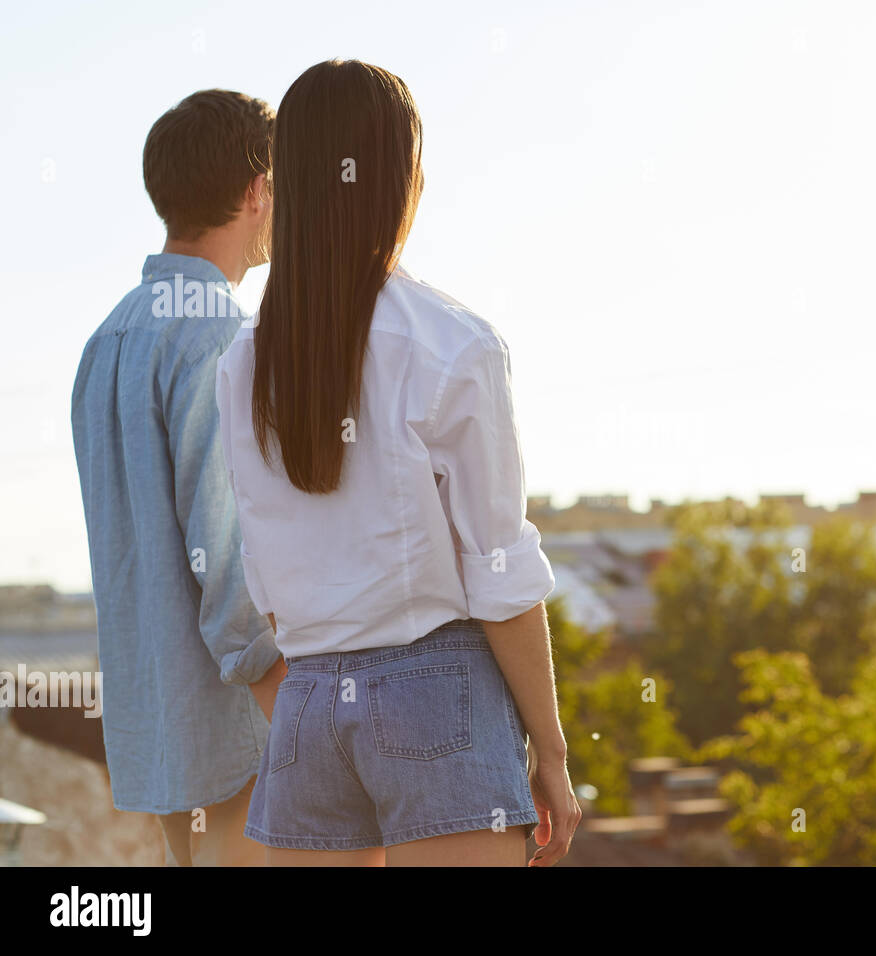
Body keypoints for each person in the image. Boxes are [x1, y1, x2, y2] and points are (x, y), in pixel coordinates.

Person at [216, 60, 581, 867]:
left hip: (306, 704)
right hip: (435, 694)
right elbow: (501, 571)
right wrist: (551, 755)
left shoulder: (241, 364)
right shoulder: (454, 343)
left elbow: (266, 585)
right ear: (403, 178)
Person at [70, 89, 285, 865]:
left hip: (158, 727)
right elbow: (222, 545)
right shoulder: (216, 329)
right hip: (238, 727)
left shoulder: (107, 338)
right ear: (259, 188)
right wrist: (287, 700)